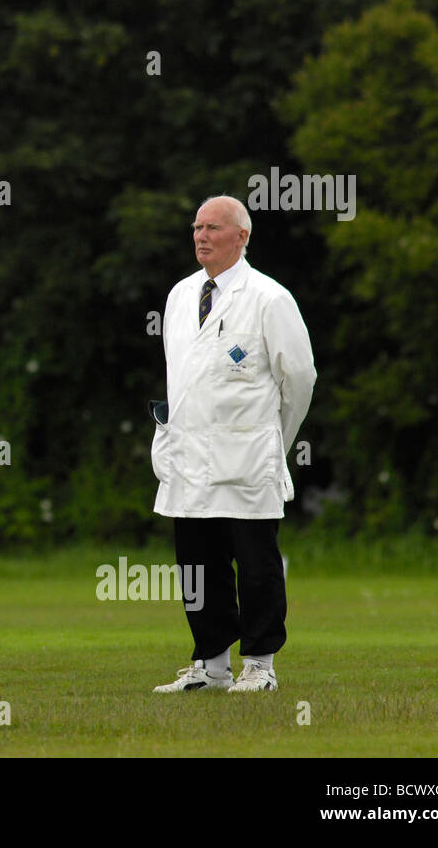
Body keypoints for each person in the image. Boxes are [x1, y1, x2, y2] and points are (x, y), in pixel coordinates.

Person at [150, 195, 315, 693]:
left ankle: (260, 666)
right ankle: (211, 665)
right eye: (196, 227)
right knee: (199, 565)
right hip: (189, 457)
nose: (201, 236)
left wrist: (274, 441)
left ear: (241, 236)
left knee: (256, 562)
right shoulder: (181, 295)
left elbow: (300, 379)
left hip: (247, 458)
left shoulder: (268, 298)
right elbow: (183, 377)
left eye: (213, 228)